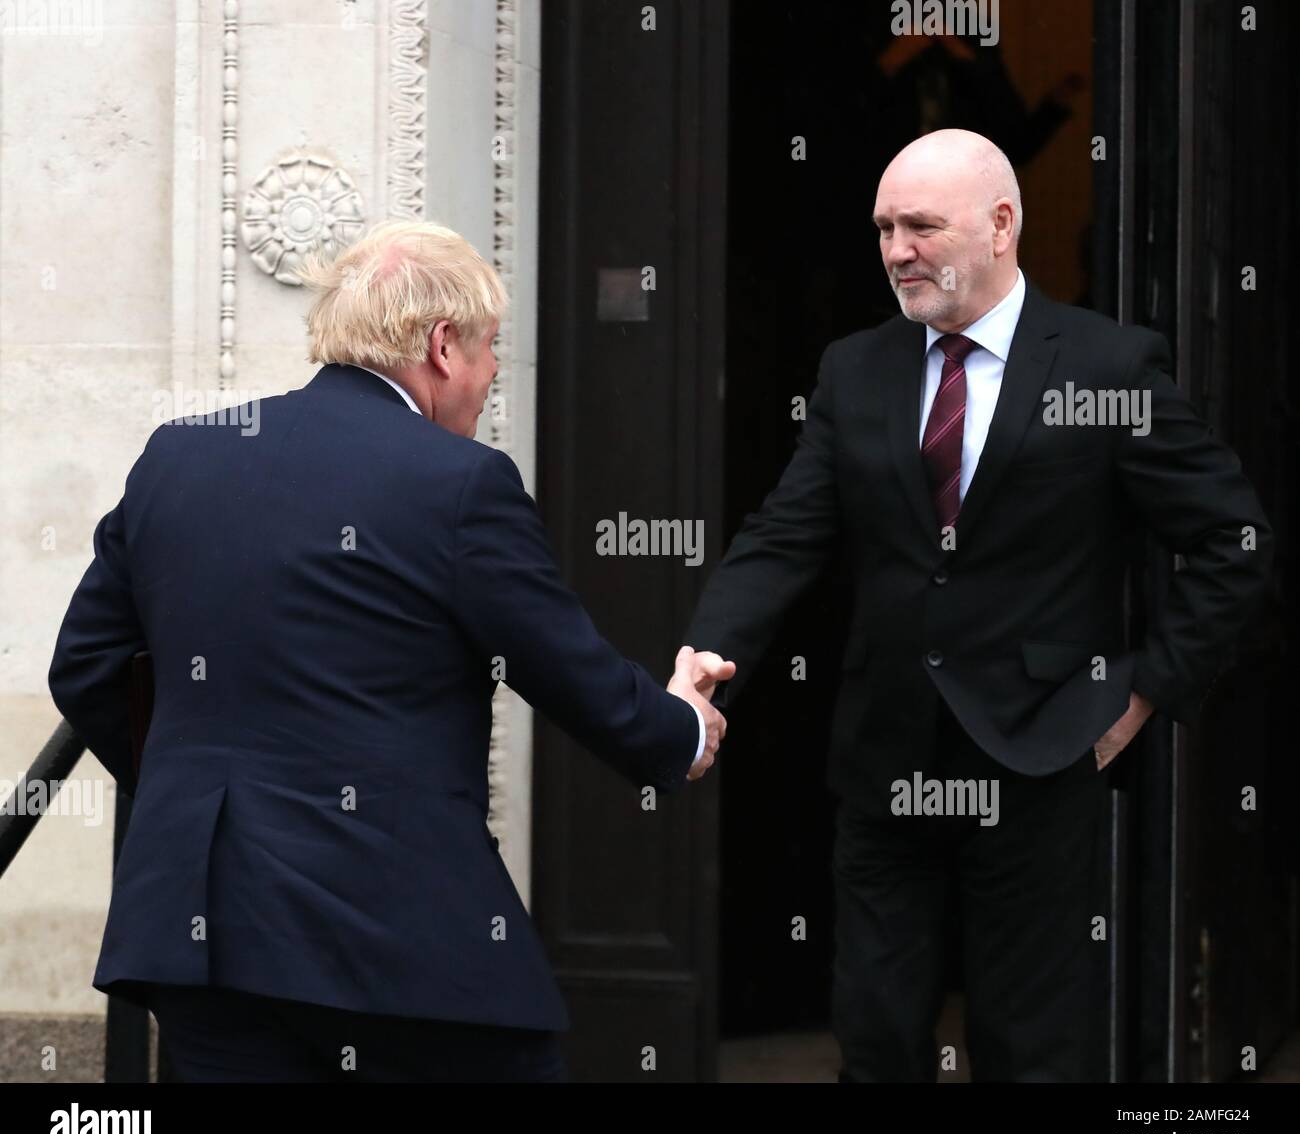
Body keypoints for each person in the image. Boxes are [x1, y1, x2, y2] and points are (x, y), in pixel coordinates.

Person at [48, 220, 733, 1082]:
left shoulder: (177, 456)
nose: (489, 380)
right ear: (443, 346)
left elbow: (84, 667)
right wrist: (679, 721)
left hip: (200, 931)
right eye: (489, 352)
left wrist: (196, 795)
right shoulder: (459, 482)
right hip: (400, 944)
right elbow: (572, 675)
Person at [681, 129, 1273, 1082]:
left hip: (1041, 760)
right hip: (884, 760)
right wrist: (707, 652)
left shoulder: (1106, 369)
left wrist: (1142, 694)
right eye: (883, 228)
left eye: (920, 225)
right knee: (874, 1043)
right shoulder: (855, 369)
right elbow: (785, 533)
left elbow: (1232, 544)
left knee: (1031, 1051)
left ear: (1003, 225)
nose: (896, 249)